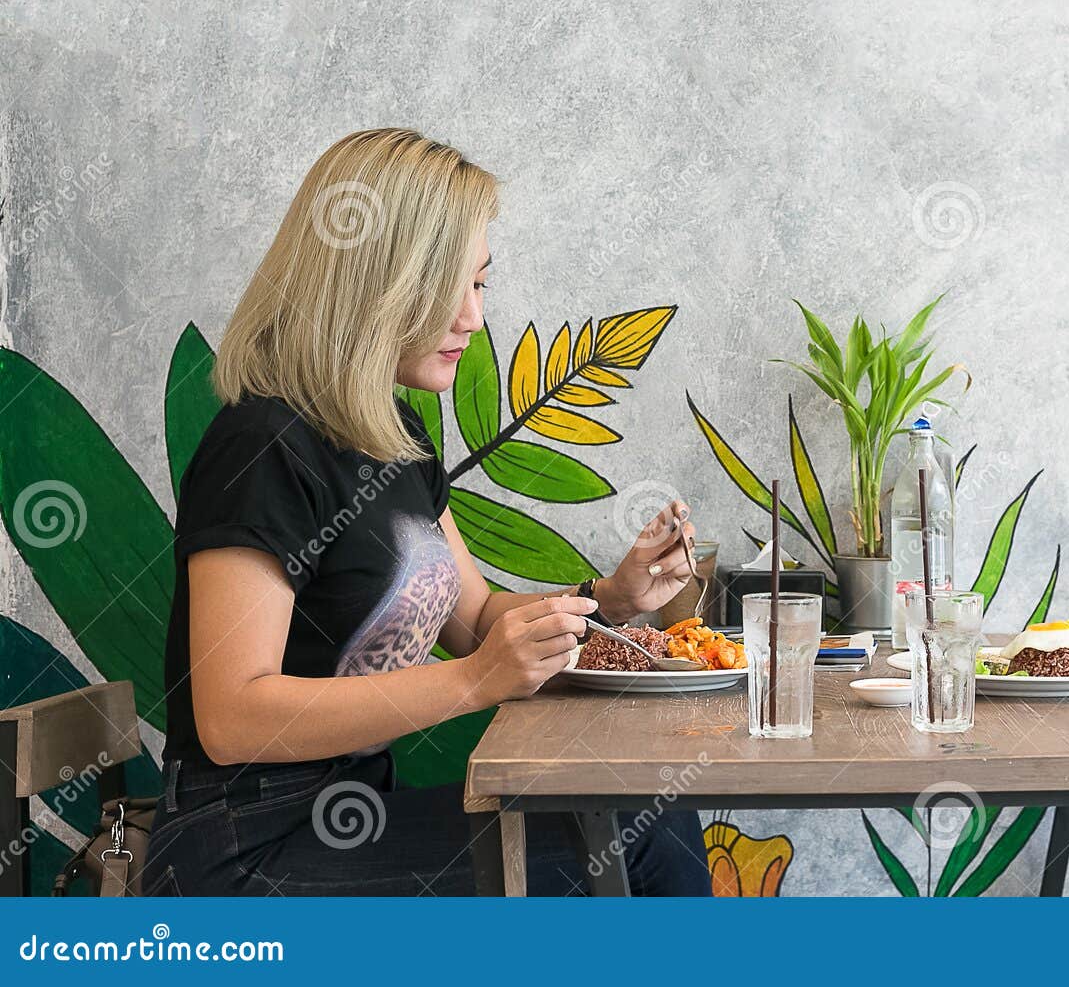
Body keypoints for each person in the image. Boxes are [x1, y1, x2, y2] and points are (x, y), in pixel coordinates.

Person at [142, 127, 711, 896]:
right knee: (635, 842)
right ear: (379, 279)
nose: (475, 317)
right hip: (244, 852)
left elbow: (475, 618)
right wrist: (474, 683)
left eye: (483, 285)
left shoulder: (395, 432)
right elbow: (232, 716)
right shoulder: (263, 444)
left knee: (646, 815)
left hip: (349, 817)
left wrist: (608, 600)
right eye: (459, 282)